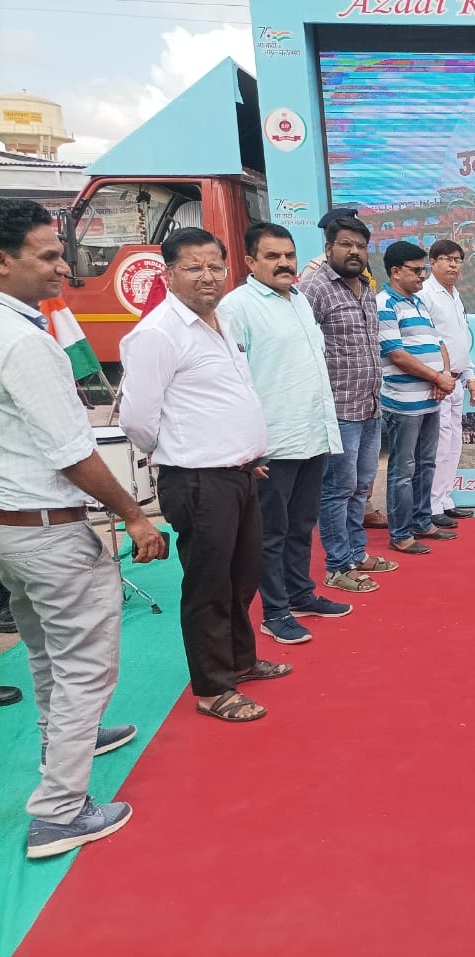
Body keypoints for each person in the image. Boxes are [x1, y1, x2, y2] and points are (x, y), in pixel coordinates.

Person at [0, 199, 164, 857]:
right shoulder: (26, 342)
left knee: (44, 650)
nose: (61, 267)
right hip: (45, 526)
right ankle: (61, 810)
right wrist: (132, 515)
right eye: (46, 254)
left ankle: (66, 736)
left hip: (13, 530)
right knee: (85, 668)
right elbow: (72, 451)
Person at [121, 226, 292, 724]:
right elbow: (137, 418)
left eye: (215, 266)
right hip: (197, 478)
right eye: (194, 268)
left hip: (239, 472)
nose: (208, 276)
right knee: (208, 586)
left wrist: (241, 450)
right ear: (170, 273)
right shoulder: (158, 333)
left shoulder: (223, 322)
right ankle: (213, 688)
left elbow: (226, 398)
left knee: (242, 577)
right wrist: (179, 452)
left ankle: (240, 660)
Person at [219, 222, 350, 646]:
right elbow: (232, 382)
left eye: (289, 256)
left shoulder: (298, 301)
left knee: (301, 525)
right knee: (270, 533)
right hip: (272, 443)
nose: (284, 264)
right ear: (250, 261)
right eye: (272, 256)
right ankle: (274, 612)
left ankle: (300, 595)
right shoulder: (237, 308)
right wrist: (249, 447)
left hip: (311, 433)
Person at [300, 214, 399, 592]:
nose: (354, 251)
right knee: (337, 491)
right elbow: (302, 348)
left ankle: (357, 553)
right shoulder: (315, 287)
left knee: (360, 488)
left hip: (371, 405)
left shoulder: (366, 288)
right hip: (339, 410)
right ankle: (337, 565)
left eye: (360, 246)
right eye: (346, 244)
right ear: (329, 249)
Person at [378, 240, 455, 555]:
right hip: (404, 404)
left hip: (430, 397)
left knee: (425, 463)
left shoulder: (419, 303)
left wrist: (445, 376)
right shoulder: (385, 303)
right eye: (416, 270)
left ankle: (423, 521)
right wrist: (437, 377)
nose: (422, 276)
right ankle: (400, 533)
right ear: (395, 271)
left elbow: (439, 345)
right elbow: (396, 355)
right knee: (403, 469)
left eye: (423, 269)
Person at [420, 239, 475, 529]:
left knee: (455, 444)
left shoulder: (455, 295)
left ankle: (445, 500)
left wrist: (470, 377)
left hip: (457, 380)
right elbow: (426, 341)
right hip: (438, 383)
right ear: (432, 262)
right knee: (439, 447)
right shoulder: (425, 295)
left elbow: (461, 341)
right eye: (446, 259)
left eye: (458, 260)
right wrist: (438, 375)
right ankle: (430, 506)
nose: (453, 265)